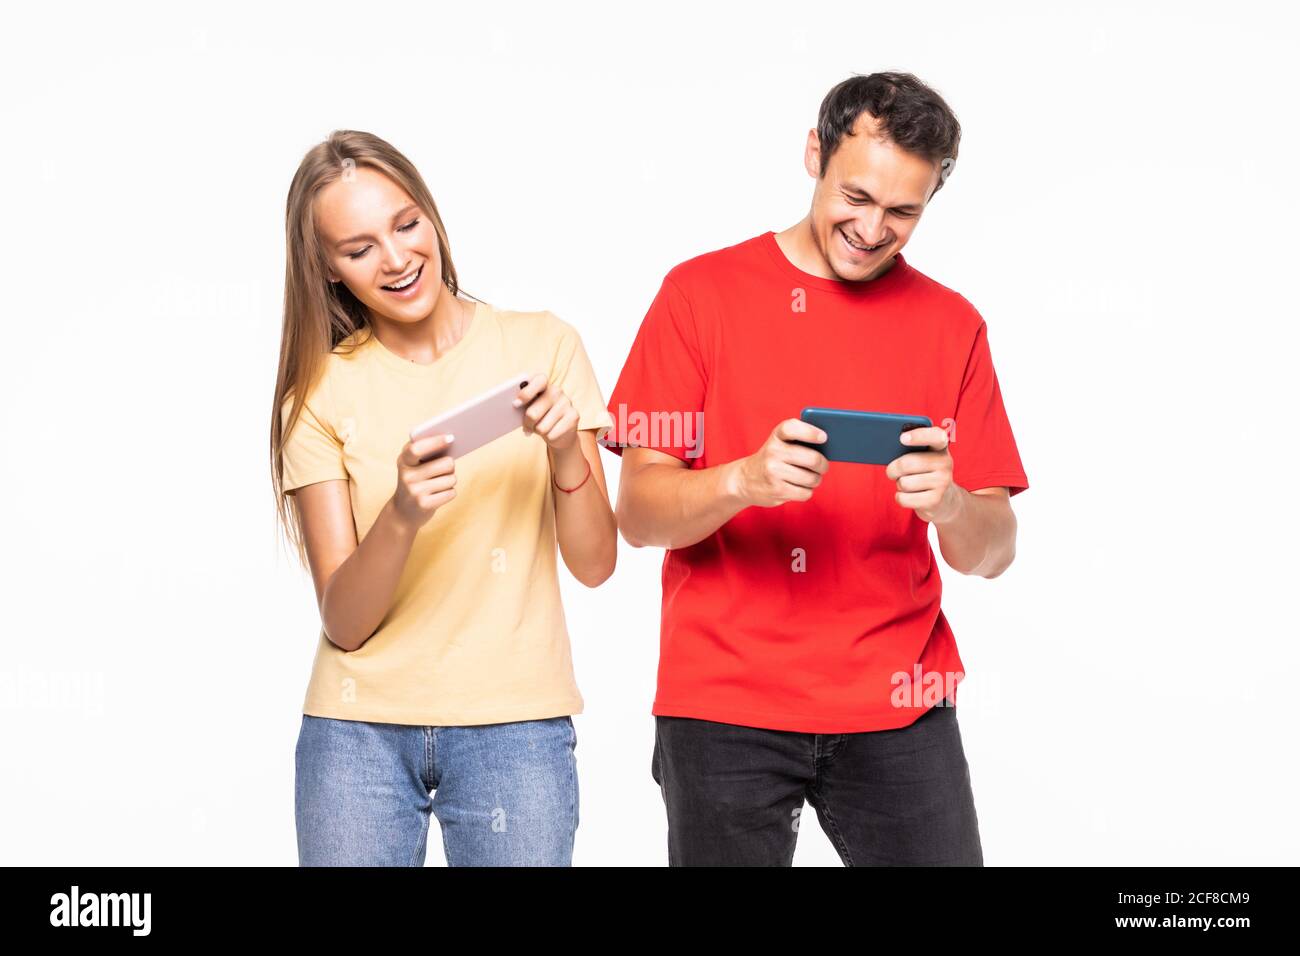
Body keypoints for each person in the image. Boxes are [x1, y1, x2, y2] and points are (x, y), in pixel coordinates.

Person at [602, 72, 1029, 866]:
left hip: (901, 708)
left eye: (902, 211)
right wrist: (742, 481)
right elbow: (638, 514)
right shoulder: (699, 295)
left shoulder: (953, 325)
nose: (871, 229)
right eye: (854, 196)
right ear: (813, 154)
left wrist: (951, 507)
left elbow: (994, 550)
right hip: (724, 703)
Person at [270, 130, 616, 866]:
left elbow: (595, 564)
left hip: (516, 728)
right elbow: (346, 623)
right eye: (358, 249)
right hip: (356, 735)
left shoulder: (544, 345)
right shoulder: (319, 395)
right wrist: (402, 514)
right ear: (328, 270)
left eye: (406, 224)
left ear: (431, 216)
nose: (396, 259)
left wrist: (563, 451)